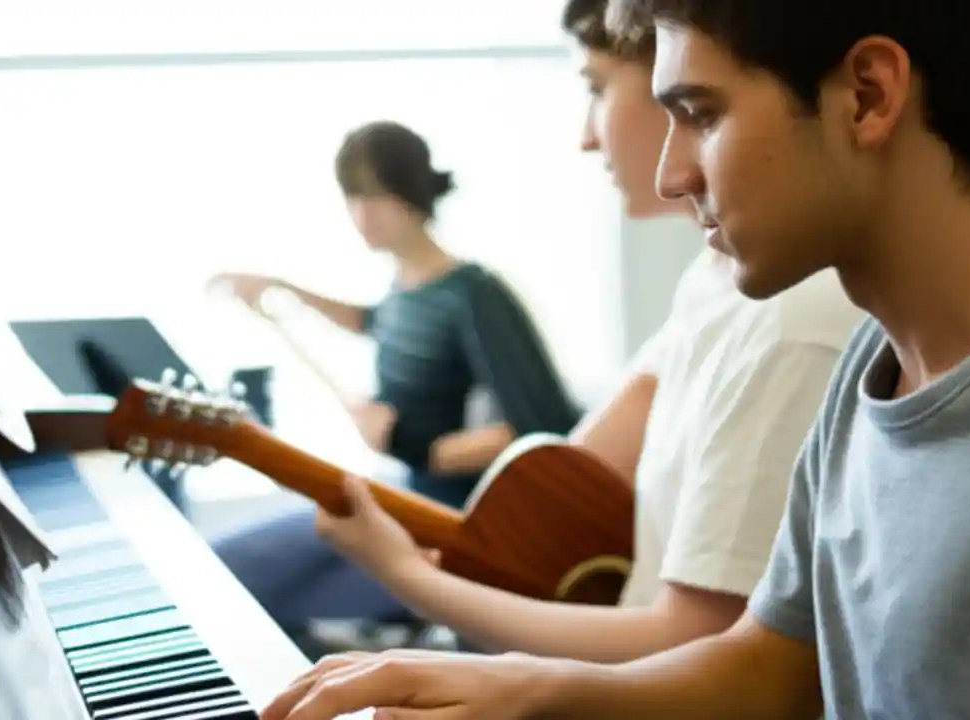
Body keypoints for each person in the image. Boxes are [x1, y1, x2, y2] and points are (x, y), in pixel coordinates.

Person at [258, 0, 970, 718]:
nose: (672, 173)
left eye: (703, 113)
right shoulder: (875, 356)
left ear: (867, 96)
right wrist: (520, 688)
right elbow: (767, 667)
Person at [296, 0, 864, 666]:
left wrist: (410, 577)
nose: (586, 137)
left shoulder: (785, 316)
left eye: (596, 88)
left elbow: (695, 646)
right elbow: (567, 482)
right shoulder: (711, 284)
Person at [207, 120, 580, 649]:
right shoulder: (405, 288)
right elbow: (372, 321)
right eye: (353, 199)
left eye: (376, 197)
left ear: (412, 194)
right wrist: (281, 289)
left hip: (447, 529)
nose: (362, 216)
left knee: (247, 583)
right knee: (233, 576)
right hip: (397, 503)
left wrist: (420, 448)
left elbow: (544, 430)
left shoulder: (474, 294)